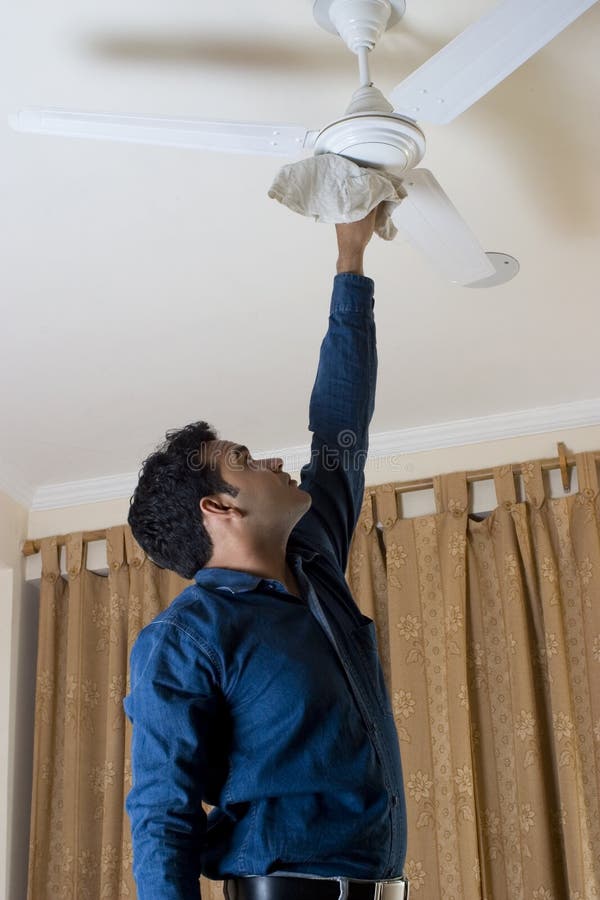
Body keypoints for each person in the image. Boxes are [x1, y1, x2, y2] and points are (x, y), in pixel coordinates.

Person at [123, 206, 409, 900]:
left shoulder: (313, 560)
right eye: (245, 459)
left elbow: (340, 430)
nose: (275, 461)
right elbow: (161, 815)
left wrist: (350, 260)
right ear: (219, 508)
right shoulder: (183, 640)